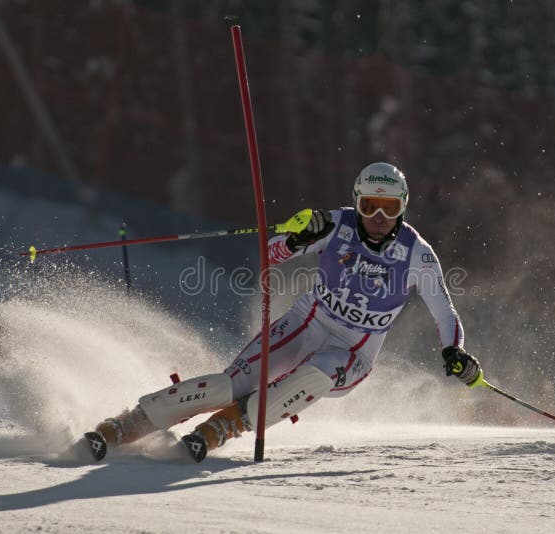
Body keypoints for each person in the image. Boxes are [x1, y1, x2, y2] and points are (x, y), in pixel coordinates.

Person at [85, 162, 483, 462]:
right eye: (370, 206)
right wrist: (295, 240)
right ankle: (127, 424)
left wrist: (454, 352)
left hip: (352, 353)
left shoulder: (418, 254)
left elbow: (445, 314)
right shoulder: (334, 223)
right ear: (357, 202)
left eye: (390, 208)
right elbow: (270, 256)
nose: (378, 218)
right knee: (229, 386)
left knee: (310, 377)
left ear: (403, 208)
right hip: (307, 323)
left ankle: (224, 427)